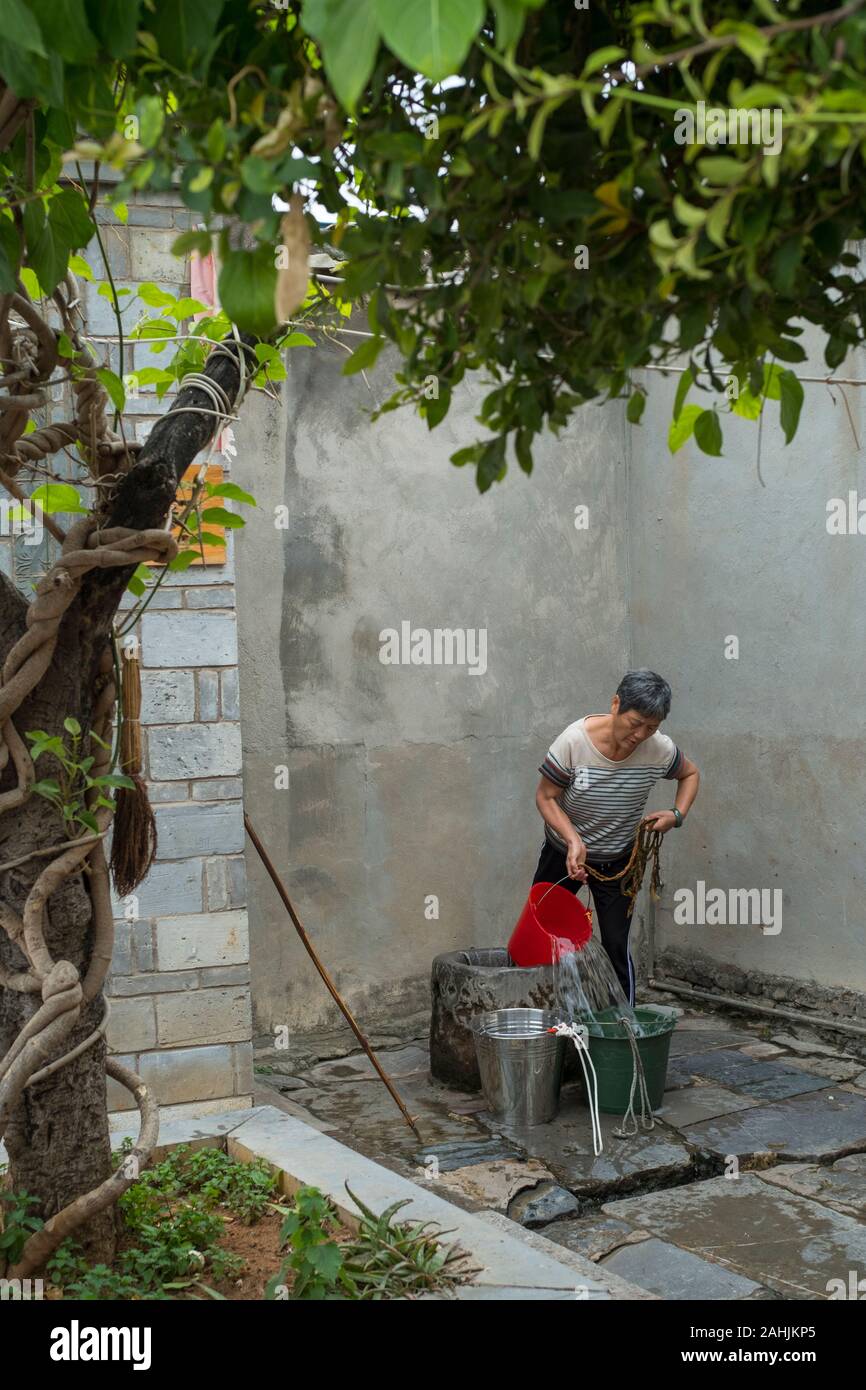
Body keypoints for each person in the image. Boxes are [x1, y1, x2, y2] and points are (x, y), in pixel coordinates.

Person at [533, 670, 700, 1004]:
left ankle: (623, 1021)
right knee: (541, 931)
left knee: (615, 944)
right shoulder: (574, 742)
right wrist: (573, 840)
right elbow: (545, 796)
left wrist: (677, 814)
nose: (640, 735)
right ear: (615, 704)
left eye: (651, 727)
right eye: (635, 723)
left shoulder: (659, 749)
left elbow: (691, 773)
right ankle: (540, 1013)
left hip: (618, 861)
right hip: (563, 853)